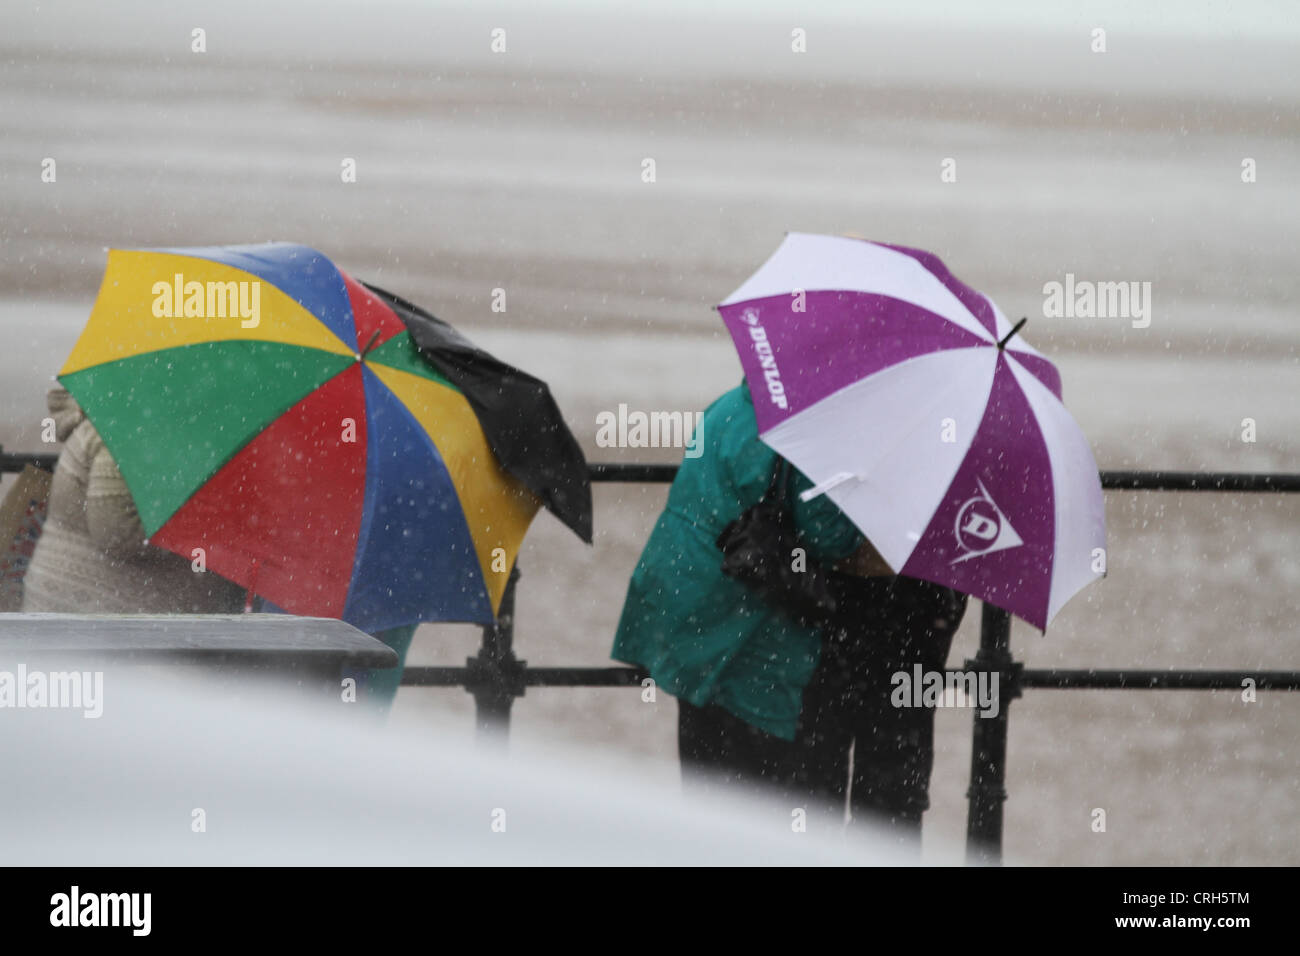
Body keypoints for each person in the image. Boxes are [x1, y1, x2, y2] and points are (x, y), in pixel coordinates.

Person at [611, 383, 967, 845]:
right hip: (745, 642)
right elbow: (829, 537)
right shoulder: (814, 430)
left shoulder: (734, 406)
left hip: (689, 620)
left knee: (714, 805)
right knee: (791, 804)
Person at [21, 387, 245, 614]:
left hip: (95, 613)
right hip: (103, 616)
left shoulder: (136, 417)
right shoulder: (134, 429)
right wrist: (208, 523)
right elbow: (117, 532)